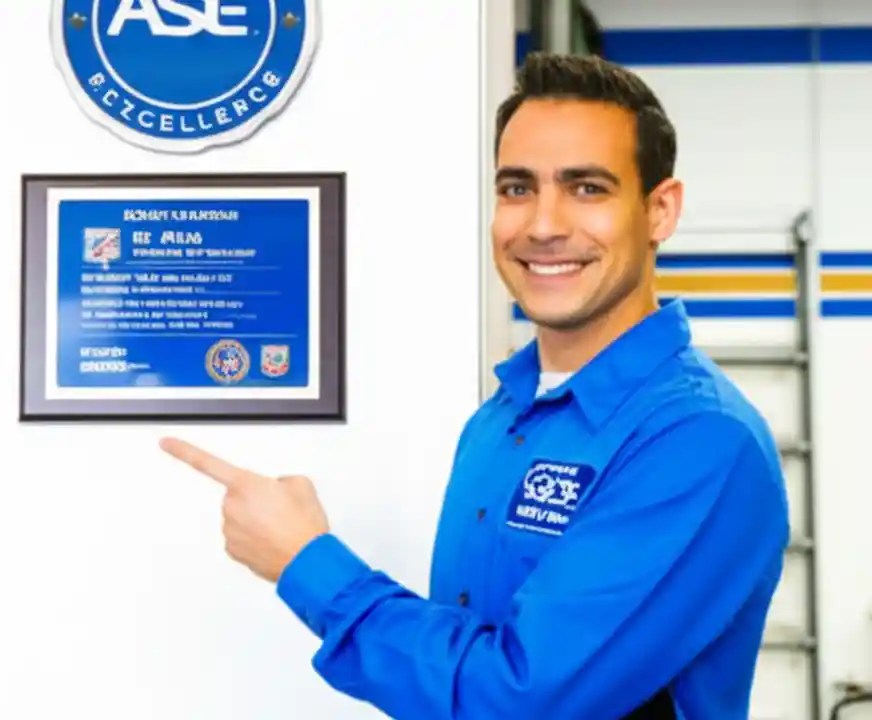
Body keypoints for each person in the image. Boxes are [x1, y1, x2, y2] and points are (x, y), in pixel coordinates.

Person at [160, 51, 790, 719]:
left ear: (660, 210)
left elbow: (519, 700)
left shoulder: (698, 441)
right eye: (518, 188)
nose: (543, 226)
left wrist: (306, 563)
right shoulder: (501, 420)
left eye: (587, 188)